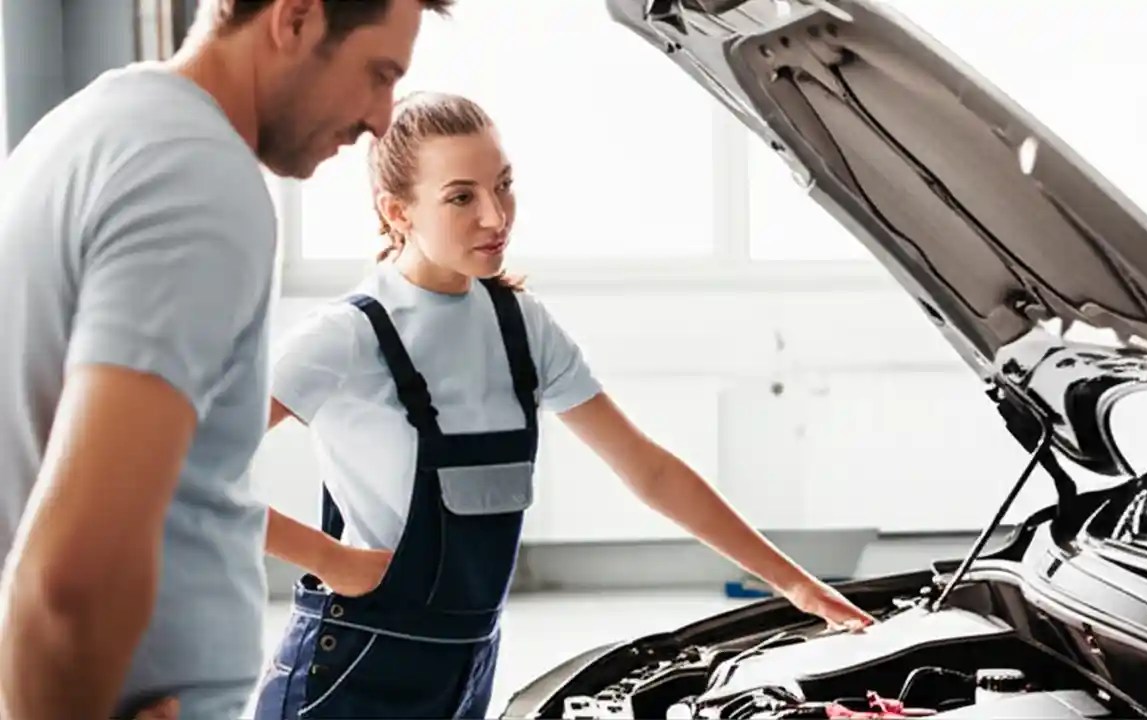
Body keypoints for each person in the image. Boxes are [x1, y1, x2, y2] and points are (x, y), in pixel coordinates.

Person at [252, 91, 877, 720]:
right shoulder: (344, 337)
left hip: (466, 673)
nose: (496, 217)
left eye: (505, 186)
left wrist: (795, 583)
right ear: (397, 212)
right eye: (461, 197)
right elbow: (182, 473)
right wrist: (334, 562)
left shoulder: (521, 326)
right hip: (345, 678)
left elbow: (649, 470)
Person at [0, 1, 451, 717]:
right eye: (377, 74)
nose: (380, 117)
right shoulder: (196, 178)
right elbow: (71, 581)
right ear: (295, 18)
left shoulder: (88, 128)